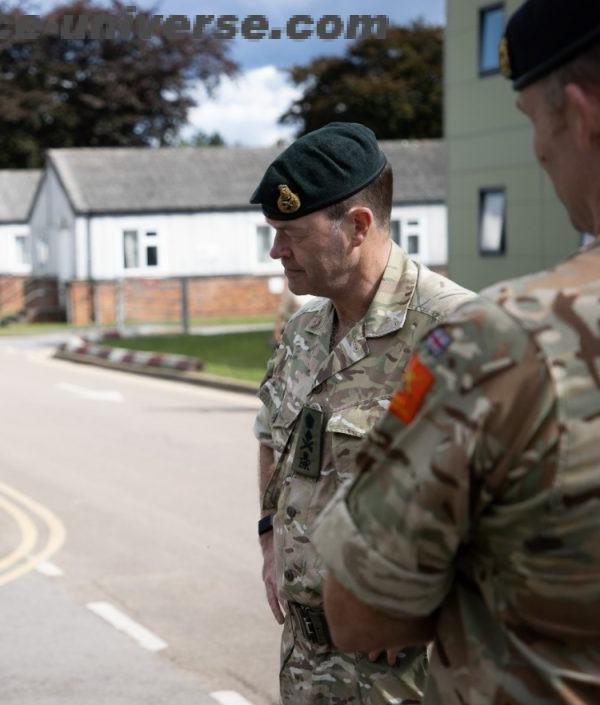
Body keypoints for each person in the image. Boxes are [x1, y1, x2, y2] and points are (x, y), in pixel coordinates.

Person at [313, 3, 600, 703]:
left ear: (582, 112)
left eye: (535, 121)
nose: (537, 149)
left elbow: (359, 610)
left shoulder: (508, 339)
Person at [250, 122, 474, 704]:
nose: (276, 251)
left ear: (357, 226)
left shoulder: (458, 332)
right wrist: (270, 535)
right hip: (305, 661)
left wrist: (415, 598)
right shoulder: (304, 331)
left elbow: (514, 504)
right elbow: (270, 434)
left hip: (413, 673)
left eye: (291, 233)